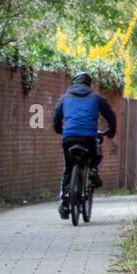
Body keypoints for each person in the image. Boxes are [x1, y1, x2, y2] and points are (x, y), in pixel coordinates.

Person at [53, 71, 117, 218]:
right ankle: (93, 169)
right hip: (89, 137)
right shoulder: (96, 97)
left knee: (69, 168)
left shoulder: (65, 98)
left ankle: (65, 201)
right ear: (89, 84)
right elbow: (111, 115)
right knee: (96, 154)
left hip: (69, 137)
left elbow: (56, 116)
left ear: (74, 82)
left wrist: (59, 130)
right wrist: (111, 131)